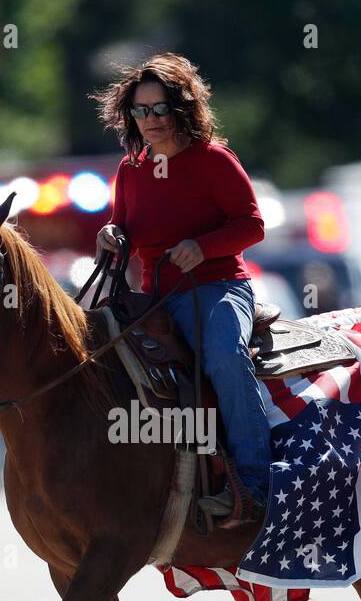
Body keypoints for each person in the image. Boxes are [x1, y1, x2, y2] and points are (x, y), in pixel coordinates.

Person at [92, 52, 269, 527]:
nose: (148, 120)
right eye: (139, 111)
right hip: (156, 298)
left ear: (182, 108)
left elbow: (252, 225)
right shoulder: (131, 171)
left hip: (217, 288)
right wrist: (111, 236)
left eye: (157, 109)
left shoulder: (213, 160)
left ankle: (254, 486)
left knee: (223, 356)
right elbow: (123, 230)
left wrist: (203, 246)